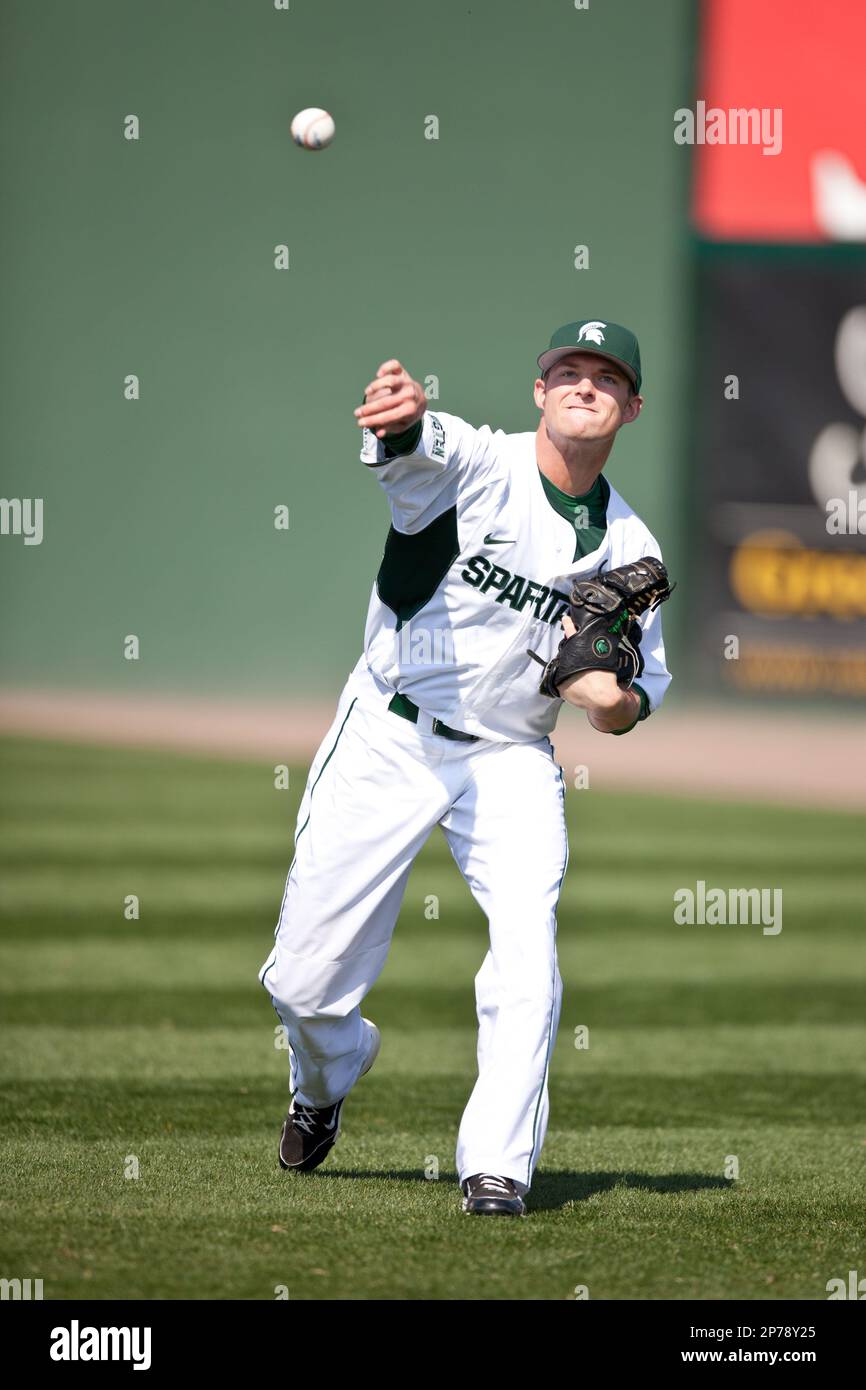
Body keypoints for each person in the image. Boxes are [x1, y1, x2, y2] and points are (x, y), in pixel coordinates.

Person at [258, 319, 672, 1217]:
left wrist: (609, 702)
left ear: (632, 407)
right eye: (568, 369)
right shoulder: (483, 462)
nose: (584, 384)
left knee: (529, 954)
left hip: (514, 756)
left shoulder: (633, 551)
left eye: (606, 377)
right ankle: (328, 1073)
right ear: (539, 390)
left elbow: (641, 695)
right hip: (393, 731)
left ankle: (497, 1168)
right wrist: (400, 418)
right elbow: (418, 441)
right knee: (303, 985)